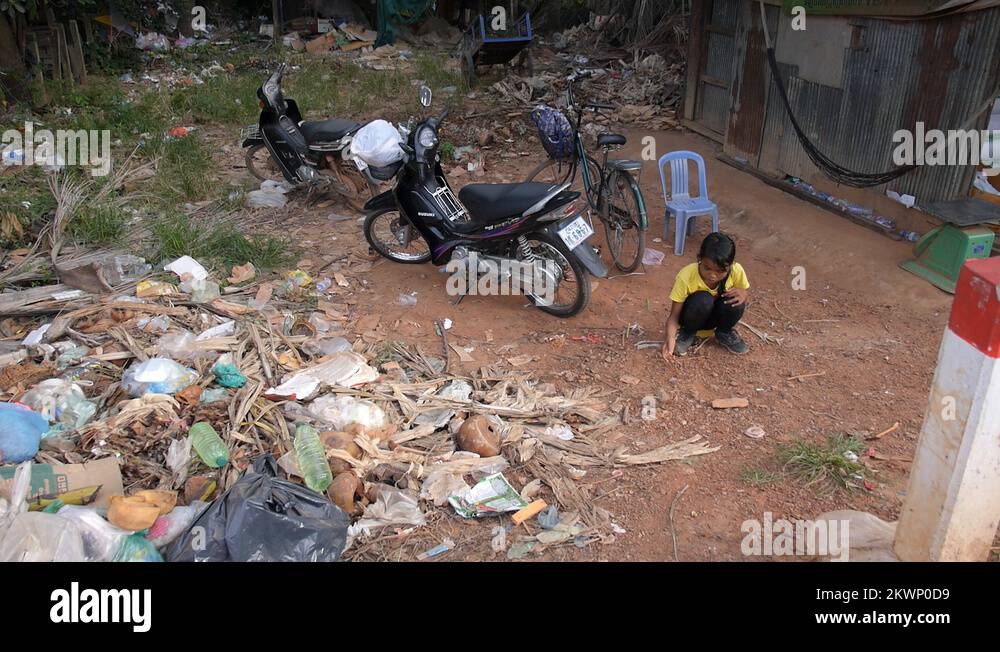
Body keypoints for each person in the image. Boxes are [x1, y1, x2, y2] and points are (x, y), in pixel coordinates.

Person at [661, 232, 750, 358]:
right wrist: (670, 338)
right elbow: (674, 317)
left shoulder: (736, 271)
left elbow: (744, 292)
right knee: (703, 299)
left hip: (715, 317)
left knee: (736, 299)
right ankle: (688, 333)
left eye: (720, 271)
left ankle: (724, 332)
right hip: (692, 317)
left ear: (730, 266)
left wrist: (743, 294)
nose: (713, 275)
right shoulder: (686, 276)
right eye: (707, 268)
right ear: (699, 259)